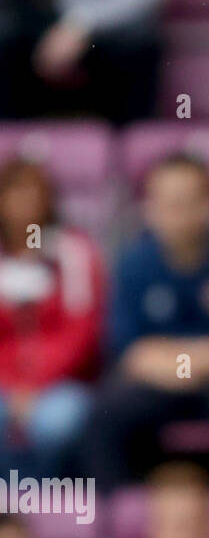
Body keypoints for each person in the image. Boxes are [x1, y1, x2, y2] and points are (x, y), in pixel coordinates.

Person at [87, 154, 209, 490]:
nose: (181, 214)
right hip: (155, 385)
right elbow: (131, 353)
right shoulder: (134, 262)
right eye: (170, 203)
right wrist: (205, 356)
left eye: (191, 201)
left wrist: (177, 357)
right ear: (150, 208)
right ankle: (116, 516)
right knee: (101, 416)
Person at [0, 158, 103, 480]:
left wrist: (36, 385)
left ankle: (41, 505)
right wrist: (13, 386)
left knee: (56, 424)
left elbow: (83, 332)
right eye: (16, 192)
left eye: (35, 192)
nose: (26, 202)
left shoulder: (75, 251)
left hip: (63, 385)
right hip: (5, 386)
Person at [0, 0, 166, 125]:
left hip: (114, 38)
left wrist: (79, 23)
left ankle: (126, 145)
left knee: (136, 47)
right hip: (37, 29)